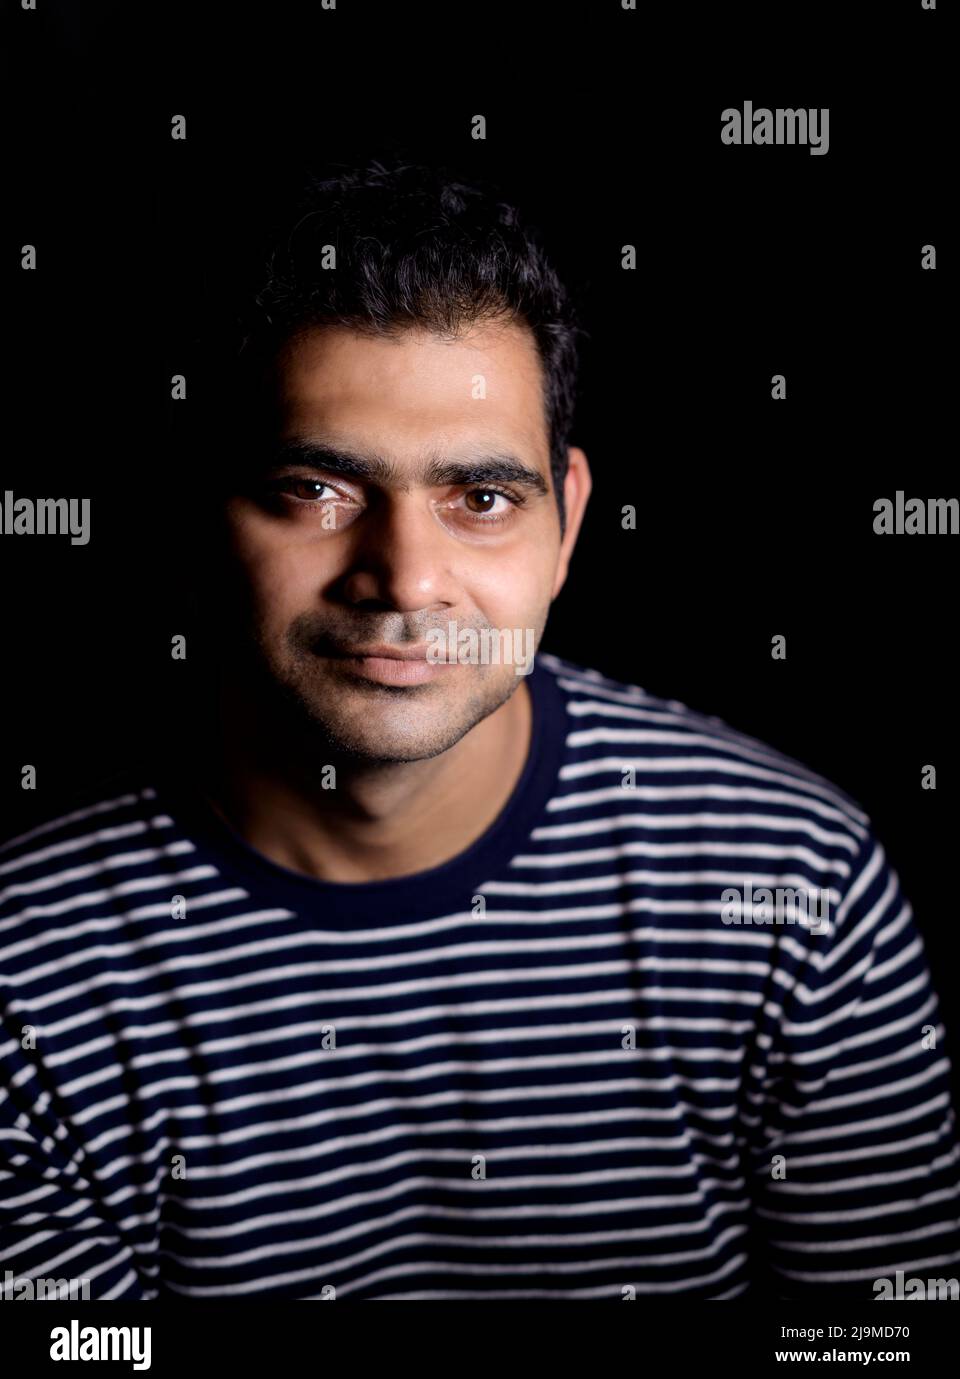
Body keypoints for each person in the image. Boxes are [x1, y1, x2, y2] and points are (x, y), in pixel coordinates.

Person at [1, 160, 957, 1300]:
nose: (406, 578)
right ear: (210, 518)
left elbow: (874, 1334)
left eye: (484, 499)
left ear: (568, 526)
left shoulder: (794, 880)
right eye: (318, 488)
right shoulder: (27, 969)